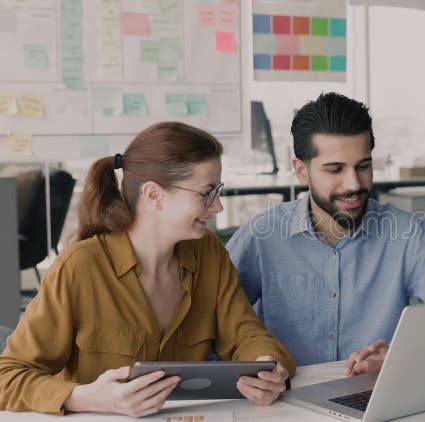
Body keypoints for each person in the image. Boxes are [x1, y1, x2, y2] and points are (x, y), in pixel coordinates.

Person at [0, 122, 296, 416]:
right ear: (154, 195)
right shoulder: (79, 266)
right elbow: (8, 376)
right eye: (206, 193)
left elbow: (245, 333)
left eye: (217, 191)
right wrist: (85, 397)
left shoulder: (208, 253)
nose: (217, 207)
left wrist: (267, 364)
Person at [227, 92, 425, 373]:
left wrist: (402, 355)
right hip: (285, 400)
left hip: (375, 401)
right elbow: (216, 325)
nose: (354, 183)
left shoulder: (406, 234)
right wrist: (253, 370)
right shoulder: (262, 235)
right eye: (335, 170)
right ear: (301, 171)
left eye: (363, 166)